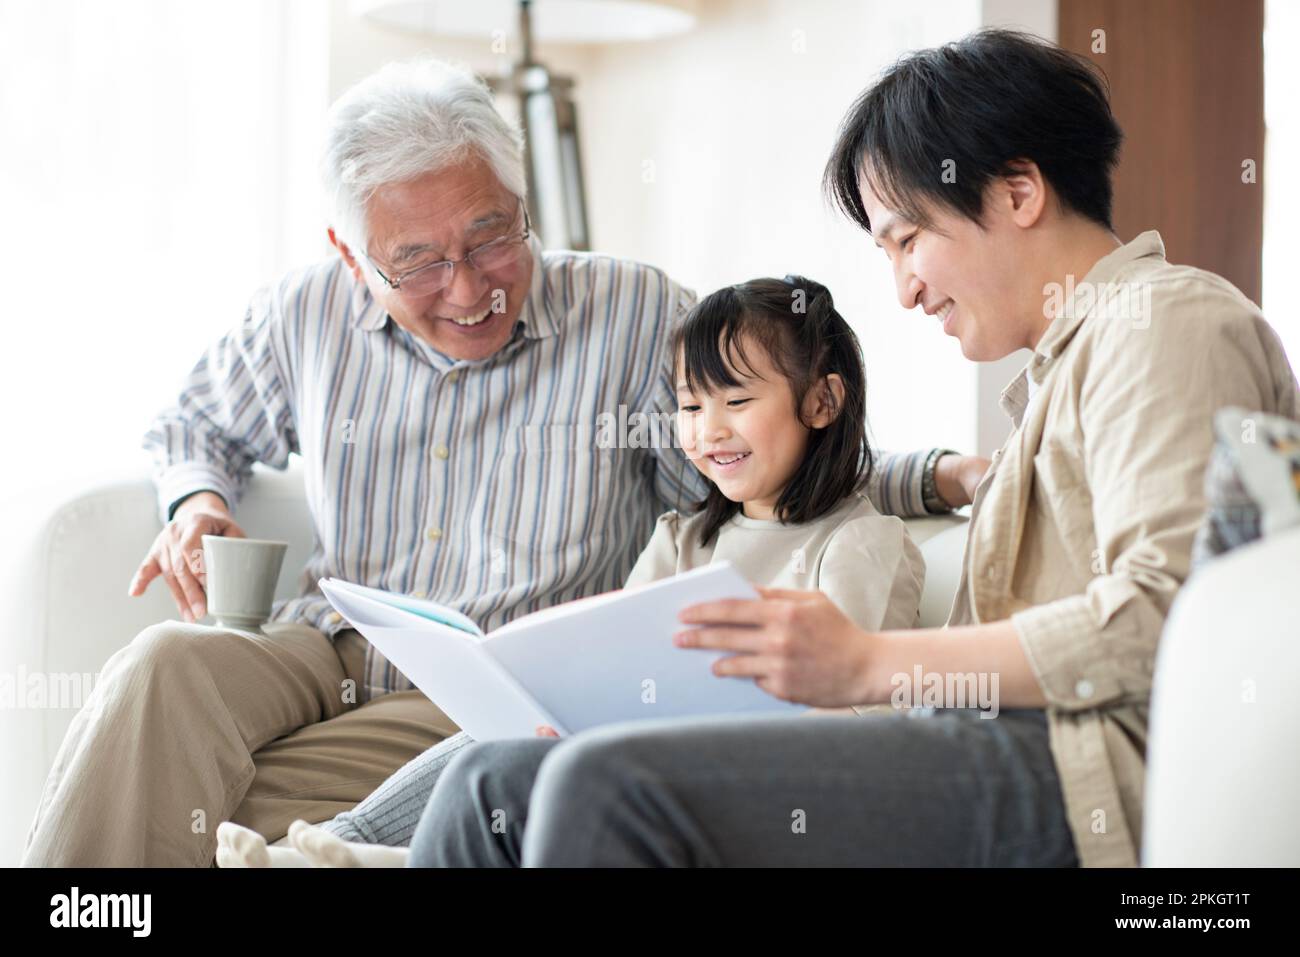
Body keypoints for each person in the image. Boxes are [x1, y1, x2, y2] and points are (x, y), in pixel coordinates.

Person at [20, 58, 981, 868]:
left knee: (179, 792)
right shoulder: (306, 312)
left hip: (495, 687)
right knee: (162, 669)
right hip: (329, 645)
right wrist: (195, 503)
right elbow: (194, 425)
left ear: (522, 202)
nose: (471, 286)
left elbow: (768, 448)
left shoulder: (633, 313)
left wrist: (939, 476)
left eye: (492, 235)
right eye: (420, 262)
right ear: (350, 256)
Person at [405, 29, 1300, 868]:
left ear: (1019, 192)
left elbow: (1169, 617)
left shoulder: (1167, 321)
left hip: (1078, 765)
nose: (905, 289)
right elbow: (848, 471)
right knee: (491, 780)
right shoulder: (1064, 377)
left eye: (908, 239)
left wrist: (868, 664)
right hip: (995, 739)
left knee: (608, 786)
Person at [216, 273, 927, 866]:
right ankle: (345, 845)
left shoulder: (858, 542)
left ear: (822, 402)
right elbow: (623, 659)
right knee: (491, 743)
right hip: (637, 752)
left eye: (737, 401)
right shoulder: (684, 537)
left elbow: (857, 708)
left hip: (753, 781)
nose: (707, 430)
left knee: (527, 768)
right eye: (689, 405)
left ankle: (360, 857)